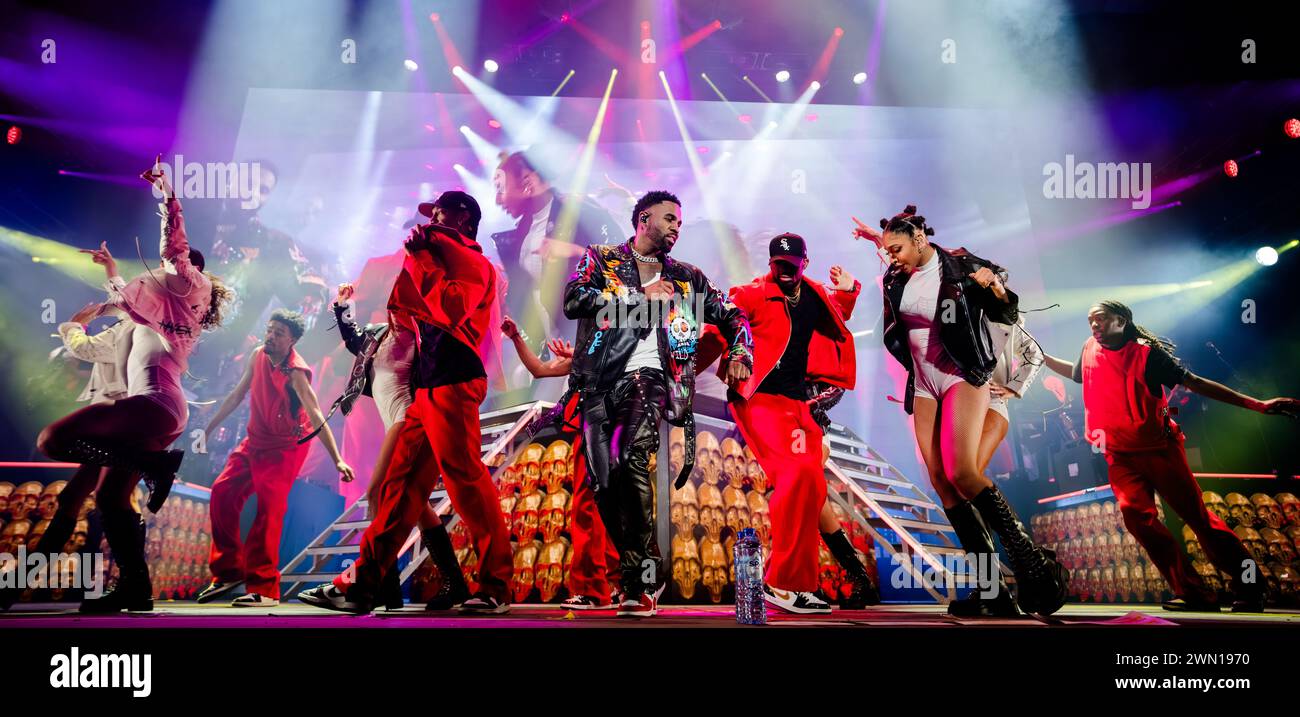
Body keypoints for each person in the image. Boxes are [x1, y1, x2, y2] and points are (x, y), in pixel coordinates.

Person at [27, 155, 233, 613]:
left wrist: (165, 192)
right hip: (159, 414)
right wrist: (109, 280)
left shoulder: (188, 283)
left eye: (160, 274)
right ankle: (135, 589)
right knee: (111, 495)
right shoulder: (164, 315)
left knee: (52, 439)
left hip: (151, 406)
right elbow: (128, 302)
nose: (152, 279)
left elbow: (174, 249)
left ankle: (153, 467)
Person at [299, 191, 514, 615]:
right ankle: (364, 582)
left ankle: (495, 586)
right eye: (430, 213)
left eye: (441, 213)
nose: (431, 220)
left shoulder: (474, 260)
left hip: (455, 380)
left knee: (466, 481)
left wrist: (423, 260)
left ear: (465, 220)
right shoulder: (438, 258)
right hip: (430, 388)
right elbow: (414, 311)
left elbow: (451, 308)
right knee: (399, 488)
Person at [856, 205, 1068, 617]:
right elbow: (898, 308)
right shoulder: (896, 275)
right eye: (888, 251)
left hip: (960, 374)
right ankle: (993, 592)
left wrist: (997, 290)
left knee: (962, 473)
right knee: (941, 481)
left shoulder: (961, 266)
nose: (892, 256)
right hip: (923, 383)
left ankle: (1033, 563)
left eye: (897, 248)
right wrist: (874, 240)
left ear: (920, 239)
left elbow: (1007, 314)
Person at [563, 190, 753, 617]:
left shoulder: (687, 277)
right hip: (596, 382)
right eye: (669, 219)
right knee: (603, 481)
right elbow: (574, 300)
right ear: (643, 218)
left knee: (630, 456)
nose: (675, 227)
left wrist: (740, 353)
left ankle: (643, 580)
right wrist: (637, 299)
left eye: (680, 223)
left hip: (650, 376)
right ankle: (637, 569)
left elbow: (734, 315)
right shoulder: (601, 259)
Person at [1042, 300, 1299, 612]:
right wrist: (1039, 358)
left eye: (1101, 319)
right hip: (1119, 455)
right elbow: (1075, 374)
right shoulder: (1088, 349)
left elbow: (1196, 383)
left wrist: (1257, 404)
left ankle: (1251, 587)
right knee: (1138, 520)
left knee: (1199, 521)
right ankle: (1194, 593)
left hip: (1159, 450)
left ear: (1122, 321)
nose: (1094, 325)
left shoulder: (1146, 353)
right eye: (1090, 320)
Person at [696, 232, 875, 614]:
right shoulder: (749, 294)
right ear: (771, 263)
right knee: (794, 476)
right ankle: (783, 582)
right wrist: (681, 374)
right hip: (760, 397)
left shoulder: (812, 295)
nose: (786, 272)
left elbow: (836, 317)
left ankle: (799, 584)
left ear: (804, 264)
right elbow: (715, 332)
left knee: (810, 482)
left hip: (799, 401)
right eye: (779, 266)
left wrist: (848, 293)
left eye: (792, 266)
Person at [199, 309, 354, 607]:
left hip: (286, 447)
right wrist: (208, 428)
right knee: (222, 491)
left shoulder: (296, 372)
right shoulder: (258, 355)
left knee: (268, 510)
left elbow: (316, 414)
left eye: (279, 333)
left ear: (292, 340)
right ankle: (229, 571)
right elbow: (236, 395)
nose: (271, 336)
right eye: (270, 330)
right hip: (255, 440)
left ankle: (266, 589)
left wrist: (337, 459)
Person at [330, 282, 468, 610]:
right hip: (397, 422)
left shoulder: (421, 339)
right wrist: (342, 306)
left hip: (409, 419)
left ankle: (381, 584)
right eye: (394, 303)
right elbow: (352, 339)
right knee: (416, 504)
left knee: (378, 493)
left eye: (404, 304)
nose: (397, 309)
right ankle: (455, 583)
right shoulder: (378, 334)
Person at [500, 316, 623, 609]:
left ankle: (594, 590)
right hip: (590, 430)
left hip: (605, 431)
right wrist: (517, 336)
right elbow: (539, 369)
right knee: (600, 512)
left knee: (587, 509)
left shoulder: (621, 346)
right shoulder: (587, 353)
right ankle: (622, 582)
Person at [491, 151, 618, 353]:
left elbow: (624, 262)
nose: (498, 200)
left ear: (527, 181)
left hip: (592, 339)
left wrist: (575, 251)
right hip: (552, 344)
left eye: (501, 188)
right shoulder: (521, 232)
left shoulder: (579, 210)